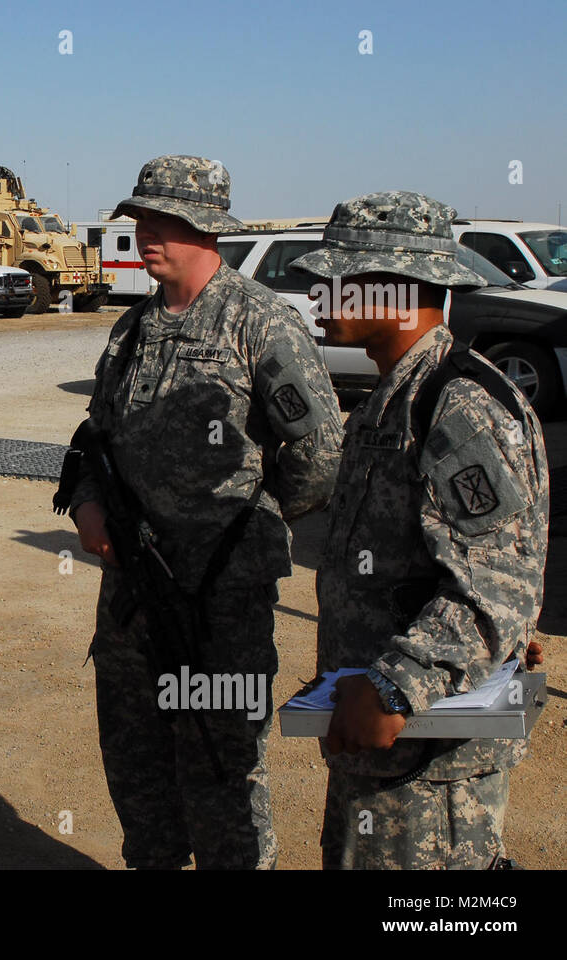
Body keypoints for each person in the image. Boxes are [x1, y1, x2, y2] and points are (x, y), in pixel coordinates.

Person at [65, 156, 343, 869]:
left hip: (219, 601)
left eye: (162, 221)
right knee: (136, 764)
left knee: (221, 767)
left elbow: (317, 452)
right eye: (140, 220)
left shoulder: (259, 322)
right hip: (131, 594)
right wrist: (90, 509)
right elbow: (92, 437)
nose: (142, 234)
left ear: (205, 226)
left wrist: (246, 531)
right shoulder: (132, 330)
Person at [287, 191, 550, 869]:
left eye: (335, 279)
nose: (317, 293)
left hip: (429, 764)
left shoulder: (454, 404)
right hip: (387, 748)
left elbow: (497, 584)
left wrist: (395, 685)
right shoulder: (392, 398)